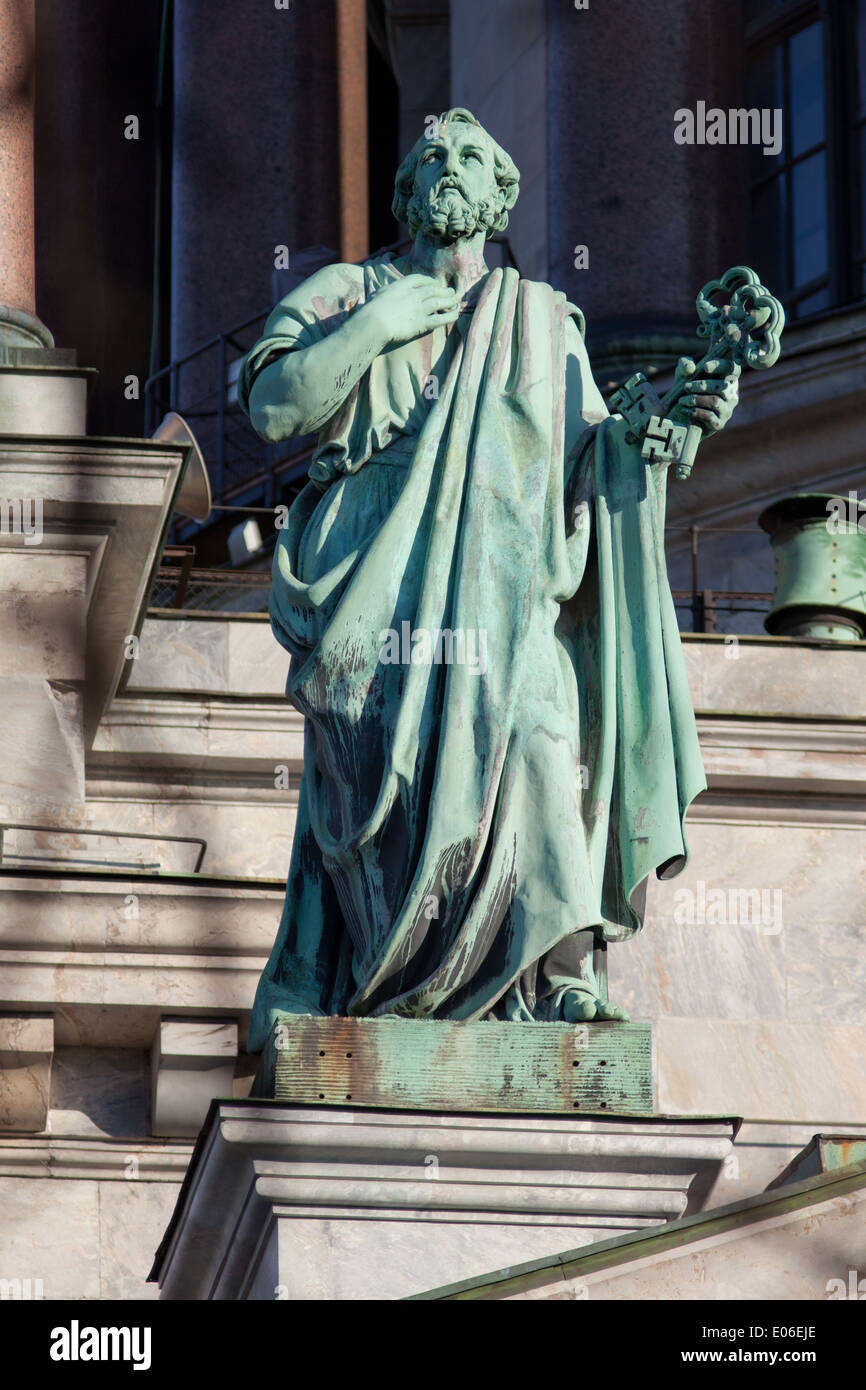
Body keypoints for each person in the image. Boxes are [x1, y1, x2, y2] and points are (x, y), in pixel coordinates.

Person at [238, 108, 738, 1050]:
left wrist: (669, 429)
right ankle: (363, 971)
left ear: (500, 195)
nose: (449, 170)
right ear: (406, 193)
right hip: (375, 572)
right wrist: (379, 323)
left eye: (472, 158)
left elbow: (594, 459)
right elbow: (272, 404)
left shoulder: (540, 318)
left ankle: (557, 972)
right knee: (367, 769)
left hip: (508, 588)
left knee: (544, 732)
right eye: (431, 158)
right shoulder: (351, 291)